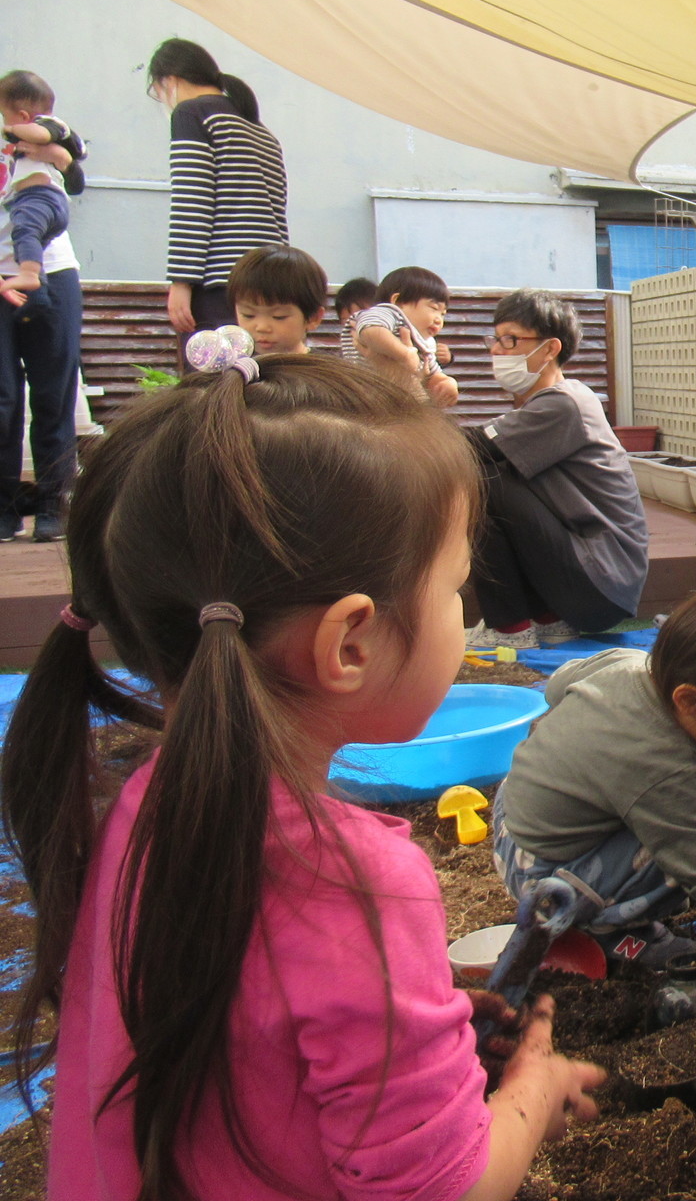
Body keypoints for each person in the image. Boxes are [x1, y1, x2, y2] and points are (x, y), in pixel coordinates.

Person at [0, 353, 603, 1199]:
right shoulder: (355, 882)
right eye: (455, 590)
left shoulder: (144, 798)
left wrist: (411, 1014)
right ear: (350, 644)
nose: (465, 620)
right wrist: (532, 1097)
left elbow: (259, 1031)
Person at [492, 584, 696, 968]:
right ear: (688, 700)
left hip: (511, 813)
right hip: (545, 880)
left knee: (664, 824)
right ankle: (609, 935)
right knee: (671, 854)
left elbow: (557, 687)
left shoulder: (627, 662)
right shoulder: (665, 768)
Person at [464, 289, 649, 648]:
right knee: (501, 478)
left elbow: (474, 447)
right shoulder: (556, 403)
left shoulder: (564, 404)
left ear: (550, 349)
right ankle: (548, 622)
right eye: (495, 339)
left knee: (483, 480)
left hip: (600, 581)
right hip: (598, 583)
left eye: (510, 339)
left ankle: (510, 629)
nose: (496, 350)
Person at [149, 39, 288, 345]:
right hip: (270, 276)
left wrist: (182, 281)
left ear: (169, 81)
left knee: (215, 384)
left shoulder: (192, 114)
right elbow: (277, 212)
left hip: (219, 280)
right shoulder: (262, 130)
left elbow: (192, 200)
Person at [0, 71, 86, 541]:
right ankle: (5, 508)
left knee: (54, 394)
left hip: (53, 273)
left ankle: (54, 505)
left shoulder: (42, 127)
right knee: (3, 398)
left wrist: (61, 155)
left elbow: (74, 179)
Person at [355, 265, 458, 408]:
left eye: (442, 314)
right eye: (434, 309)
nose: (438, 319)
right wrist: (404, 354)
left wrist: (446, 382)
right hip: (363, 397)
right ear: (398, 302)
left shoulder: (422, 341)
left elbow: (431, 371)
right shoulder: (387, 312)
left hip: (395, 402)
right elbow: (370, 331)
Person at [227, 243, 328, 356]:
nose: (262, 327)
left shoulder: (323, 371)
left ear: (313, 318)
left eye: (279, 317)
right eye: (248, 315)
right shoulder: (235, 367)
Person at [333, 275, 378, 360]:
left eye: (361, 319)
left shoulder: (391, 353)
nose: (355, 327)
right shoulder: (341, 361)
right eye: (347, 322)